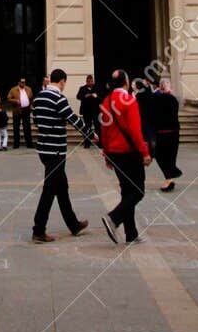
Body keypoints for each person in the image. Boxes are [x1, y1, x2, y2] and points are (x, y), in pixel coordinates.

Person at [30, 69, 90, 243]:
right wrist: (90, 133)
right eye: (65, 82)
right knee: (49, 190)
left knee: (61, 187)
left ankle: (73, 224)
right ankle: (38, 229)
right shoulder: (59, 98)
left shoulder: (39, 97)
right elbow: (72, 118)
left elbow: (35, 119)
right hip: (56, 150)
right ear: (62, 81)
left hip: (43, 148)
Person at [97, 70, 150, 244]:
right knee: (138, 191)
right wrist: (145, 152)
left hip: (114, 153)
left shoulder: (107, 101)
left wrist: (106, 153)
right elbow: (135, 131)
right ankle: (114, 218)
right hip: (129, 152)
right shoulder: (129, 100)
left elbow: (103, 131)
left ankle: (131, 233)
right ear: (126, 83)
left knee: (127, 192)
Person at [152, 79, 184, 191]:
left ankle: (170, 177)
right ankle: (170, 177)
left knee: (160, 155)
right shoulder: (172, 99)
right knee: (169, 157)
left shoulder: (161, 98)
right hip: (172, 132)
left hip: (165, 132)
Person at [76, 74, 102, 148]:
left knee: (98, 126)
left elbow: (101, 99)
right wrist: (84, 96)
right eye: (89, 81)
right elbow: (78, 96)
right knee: (87, 127)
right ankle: (87, 143)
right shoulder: (82, 88)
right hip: (86, 112)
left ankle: (100, 143)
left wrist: (96, 96)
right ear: (86, 81)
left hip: (96, 111)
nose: (90, 83)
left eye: (91, 81)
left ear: (93, 81)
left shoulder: (97, 88)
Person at [11, 78, 33, 149]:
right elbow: (9, 98)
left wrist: (31, 106)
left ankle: (29, 144)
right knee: (16, 127)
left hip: (26, 110)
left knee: (27, 127)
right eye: (21, 82)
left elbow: (31, 98)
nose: (23, 84)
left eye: (24, 82)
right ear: (19, 83)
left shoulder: (28, 89)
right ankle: (16, 144)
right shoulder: (13, 89)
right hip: (17, 110)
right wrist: (15, 101)